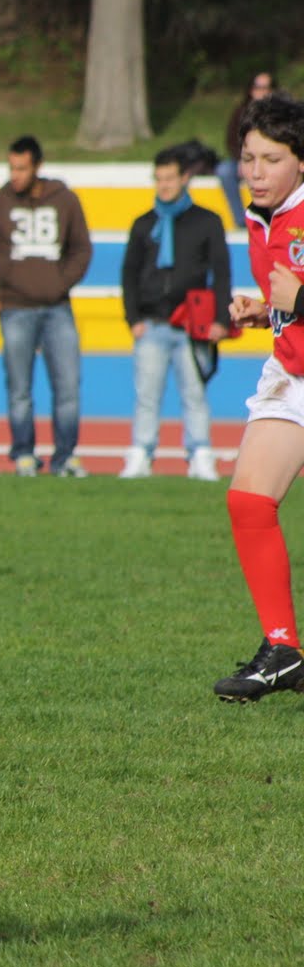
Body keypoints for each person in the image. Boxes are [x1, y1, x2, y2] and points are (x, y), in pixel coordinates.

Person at [212, 95, 304, 703]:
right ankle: (284, 652)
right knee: (249, 500)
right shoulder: (259, 215)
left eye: (272, 159)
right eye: (249, 158)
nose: (256, 171)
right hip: (293, 375)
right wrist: (264, 309)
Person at [0, 135, 94, 477]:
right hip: (15, 308)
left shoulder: (65, 200)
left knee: (67, 385)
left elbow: (82, 249)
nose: (15, 175)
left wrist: (58, 283)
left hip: (58, 308)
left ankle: (66, 456)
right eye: (11, 167)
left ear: (37, 167)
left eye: (22, 168)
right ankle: (24, 453)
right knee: (19, 388)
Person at [118, 148, 231, 481]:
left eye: (170, 178)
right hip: (151, 323)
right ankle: (141, 453)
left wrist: (221, 320)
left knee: (194, 393)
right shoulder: (144, 224)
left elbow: (221, 272)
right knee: (147, 394)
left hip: (191, 325)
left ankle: (200, 454)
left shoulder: (207, 221)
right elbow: (129, 272)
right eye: (159, 178)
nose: (164, 185)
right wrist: (133, 317)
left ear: (185, 178)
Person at [216, 73, 278, 230]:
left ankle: (277, 218)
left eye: (265, 88)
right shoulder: (241, 112)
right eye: (257, 87)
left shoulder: (281, 113)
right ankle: (241, 221)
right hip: (244, 159)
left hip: (274, 160)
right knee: (224, 171)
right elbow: (231, 141)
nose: (261, 92)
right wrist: (242, 160)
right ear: (251, 90)